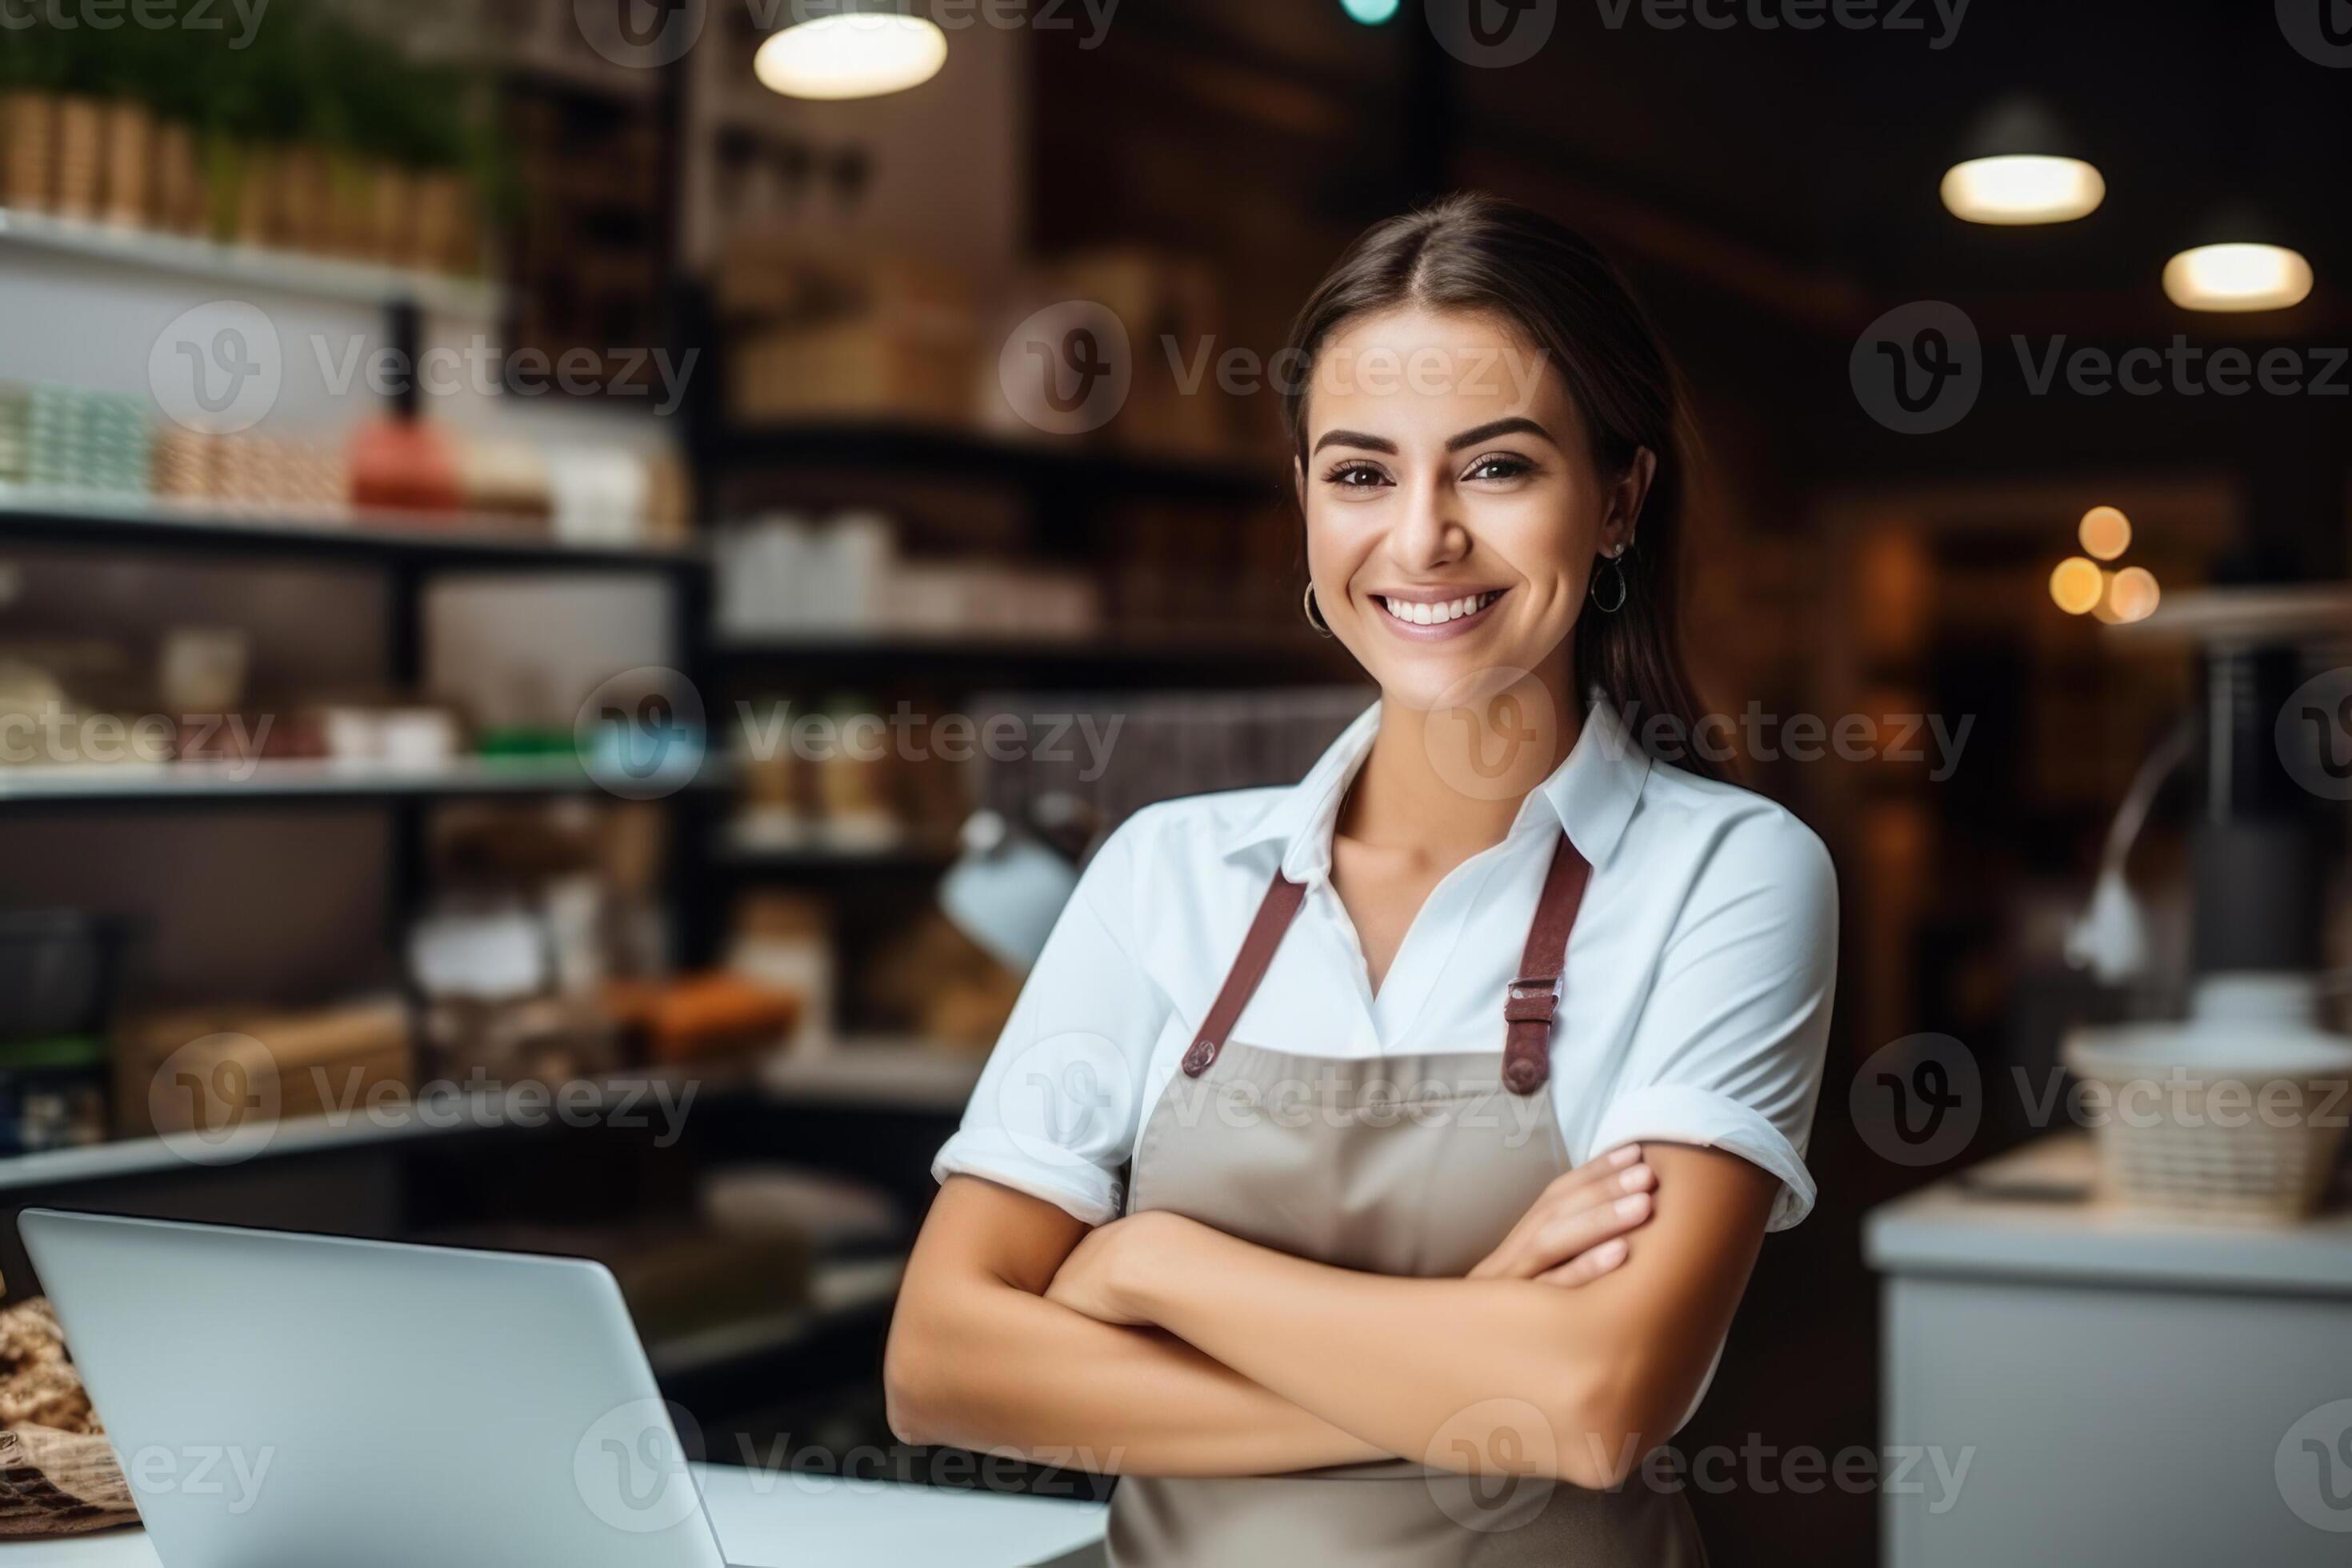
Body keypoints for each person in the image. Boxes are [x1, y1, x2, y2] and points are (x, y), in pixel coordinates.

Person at [886, 191, 1838, 1565]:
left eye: (1498, 468)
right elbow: (941, 1365)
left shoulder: (1731, 876)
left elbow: (1594, 1402)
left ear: (1620, 499)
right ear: (1304, 503)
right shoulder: (1168, 872)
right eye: (1361, 473)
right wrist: (1466, 1347)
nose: (1422, 536)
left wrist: (1158, 1267)